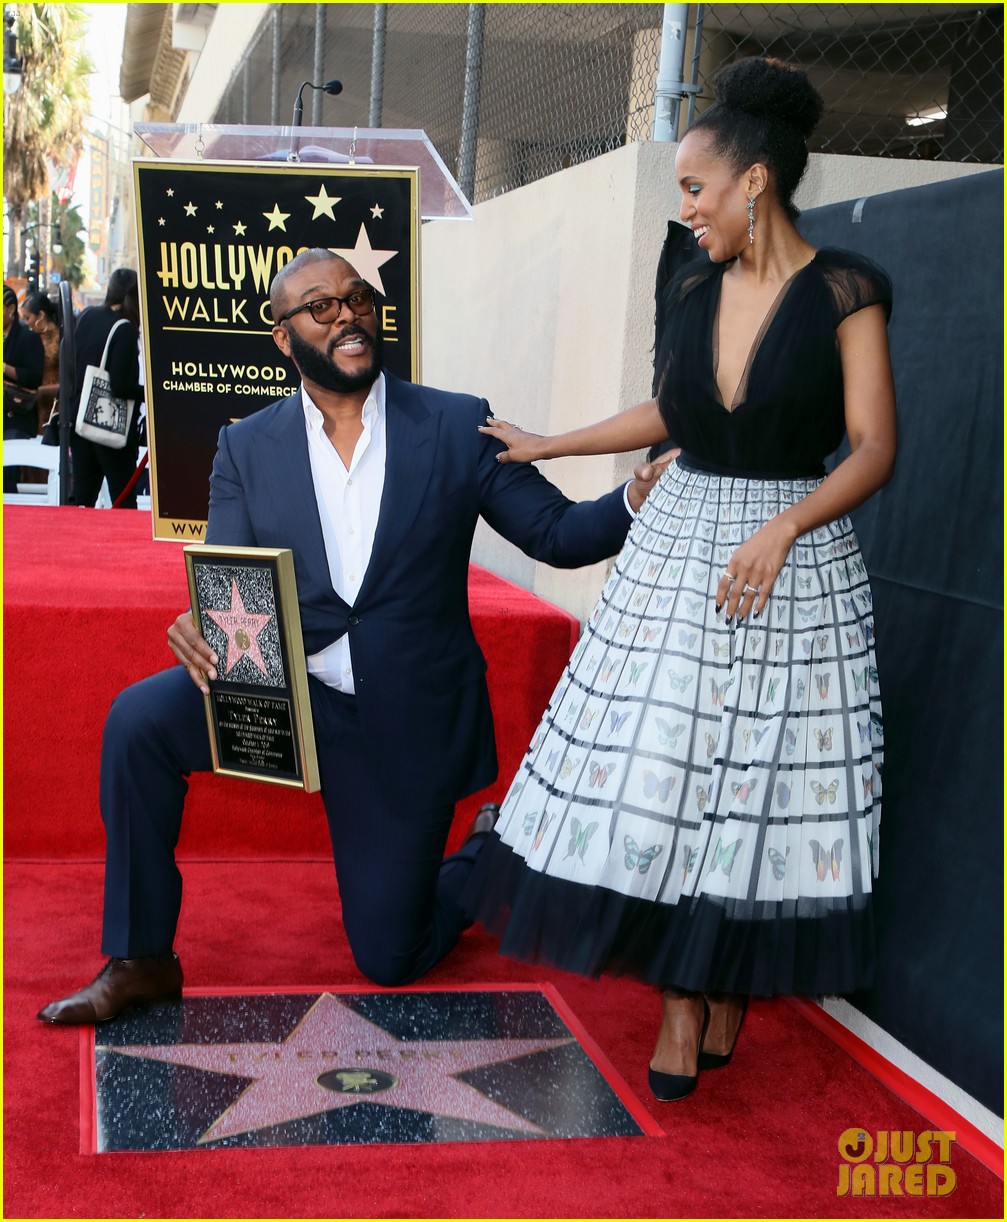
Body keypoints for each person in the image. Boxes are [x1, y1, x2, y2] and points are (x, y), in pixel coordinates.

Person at [37, 248, 668, 1025]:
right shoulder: (247, 445)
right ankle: (141, 959)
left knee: (390, 960)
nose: (347, 317)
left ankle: (490, 848)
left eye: (356, 299)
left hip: (400, 717)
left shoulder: (452, 422)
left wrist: (634, 494)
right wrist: (201, 621)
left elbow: (558, 533)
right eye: (321, 307)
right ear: (283, 336)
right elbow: (232, 574)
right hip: (288, 695)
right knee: (138, 721)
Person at [463, 56, 897, 1102]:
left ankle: (721, 975)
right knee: (665, 764)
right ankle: (676, 1000)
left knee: (757, 777)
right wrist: (548, 443)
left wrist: (784, 526)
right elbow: (670, 410)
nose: (687, 209)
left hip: (788, 560)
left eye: (696, 189)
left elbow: (872, 446)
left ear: (755, 181)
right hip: (681, 546)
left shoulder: (846, 288)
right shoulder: (692, 278)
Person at [70, 267, 144, 508]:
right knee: (124, 503)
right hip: (111, 430)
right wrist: (149, 394)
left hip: (80, 423)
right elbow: (120, 385)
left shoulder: (87, 316)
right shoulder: (125, 328)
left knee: (83, 501)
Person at [3, 282, 46, 493]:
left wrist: (5, 368)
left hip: (16, 415)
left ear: (11, 309)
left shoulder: (28, 339)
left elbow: (34, 377)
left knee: (8, 471)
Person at [20, 291, 60, 436]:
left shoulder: (60, 339)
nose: (25, 322)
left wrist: (40, 391)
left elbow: (69, 381)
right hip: (31, 407)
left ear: (41, 316)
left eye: (27, 317)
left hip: (54, 407)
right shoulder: (29, 337)